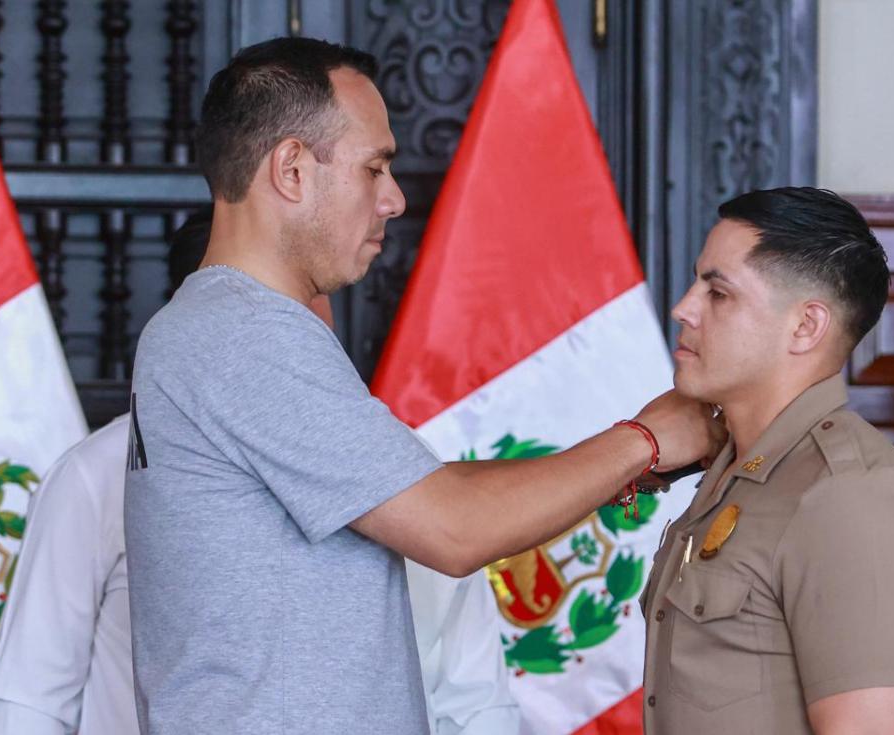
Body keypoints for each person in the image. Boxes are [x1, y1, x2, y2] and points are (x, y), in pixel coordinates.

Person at [124, 37, 719, 734]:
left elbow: (421, 494)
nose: (395, 199)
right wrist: (644, 441)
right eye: (374, 167)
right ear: (290, 169)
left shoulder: (216, 325)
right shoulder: (246, 333)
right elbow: (452, 525)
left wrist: (604, 463)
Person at [0, 210, 519, 735]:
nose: (291, 323)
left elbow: (473, 695)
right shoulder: (95, 474)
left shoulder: (413, 467)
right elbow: (31, 696)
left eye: (309, 296)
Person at [640, 187, 894, 734]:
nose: (683, 308)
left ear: (805, 326)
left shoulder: (850, 494)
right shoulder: (737, 469)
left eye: (718, 293)